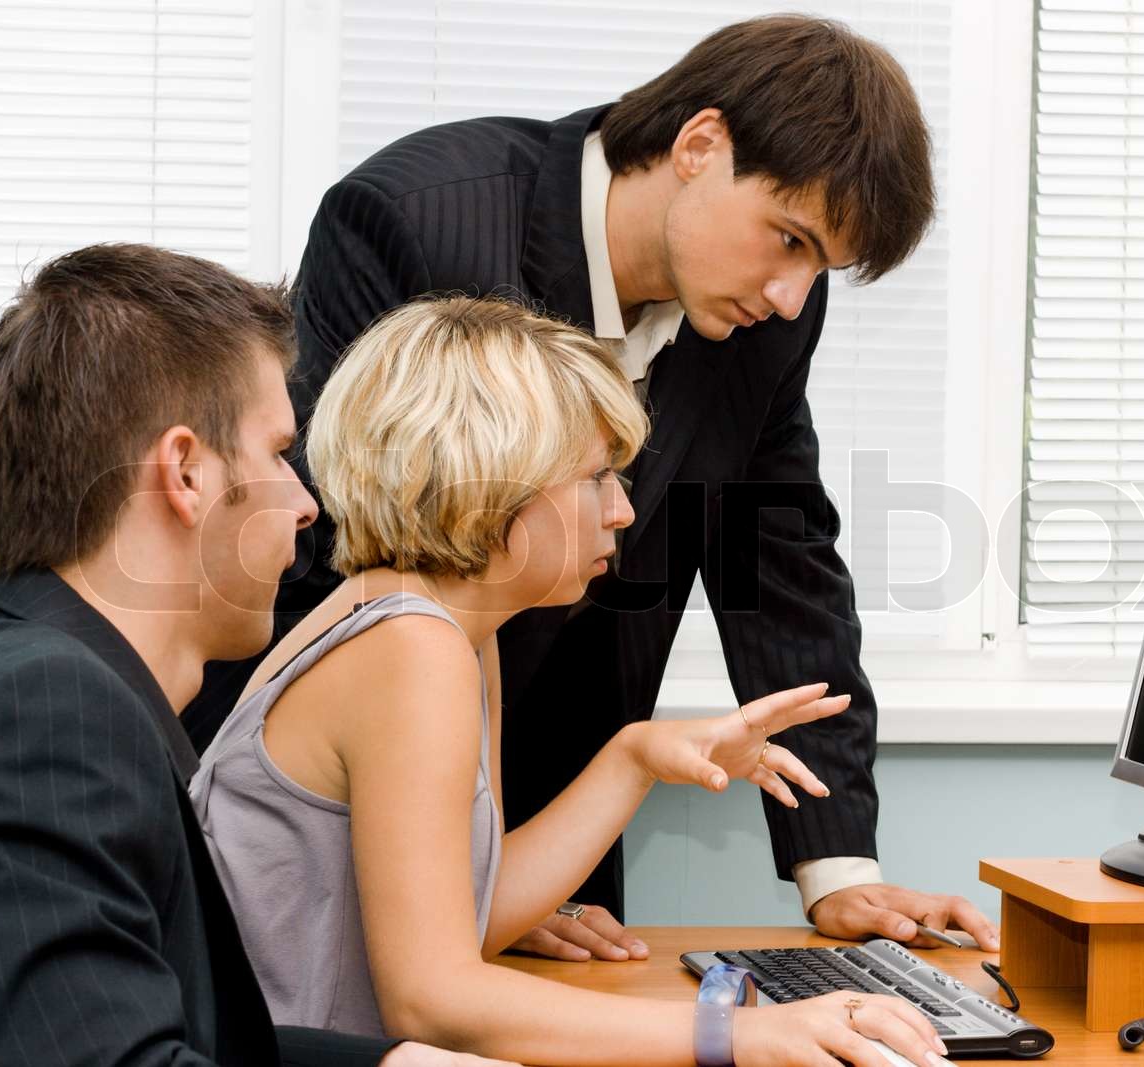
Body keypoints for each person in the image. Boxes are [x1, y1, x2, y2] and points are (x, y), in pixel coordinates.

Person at [183, 14, 1001, 961]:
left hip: (553, 826)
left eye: (818, 266)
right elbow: (325, 538)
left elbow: (782, 562)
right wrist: (448, 880)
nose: (790, 293)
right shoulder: (416, 216)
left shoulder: (768, 316)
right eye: (789, 238)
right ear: (700, 144)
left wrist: (841, 873)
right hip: (333, 820)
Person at [191, 294, 949, 1067]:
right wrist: (739, 1035)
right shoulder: (409, 648)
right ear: (490, 482)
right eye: (595, 477)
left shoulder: (437, 626)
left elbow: (466, 918)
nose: (621, 510)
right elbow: (434, 998)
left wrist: (633, 758)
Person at [0, 244, 510, 1067]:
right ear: (185, 471)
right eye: (278, 453)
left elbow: (167, 1038)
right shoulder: (42, 717)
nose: (305, 500)